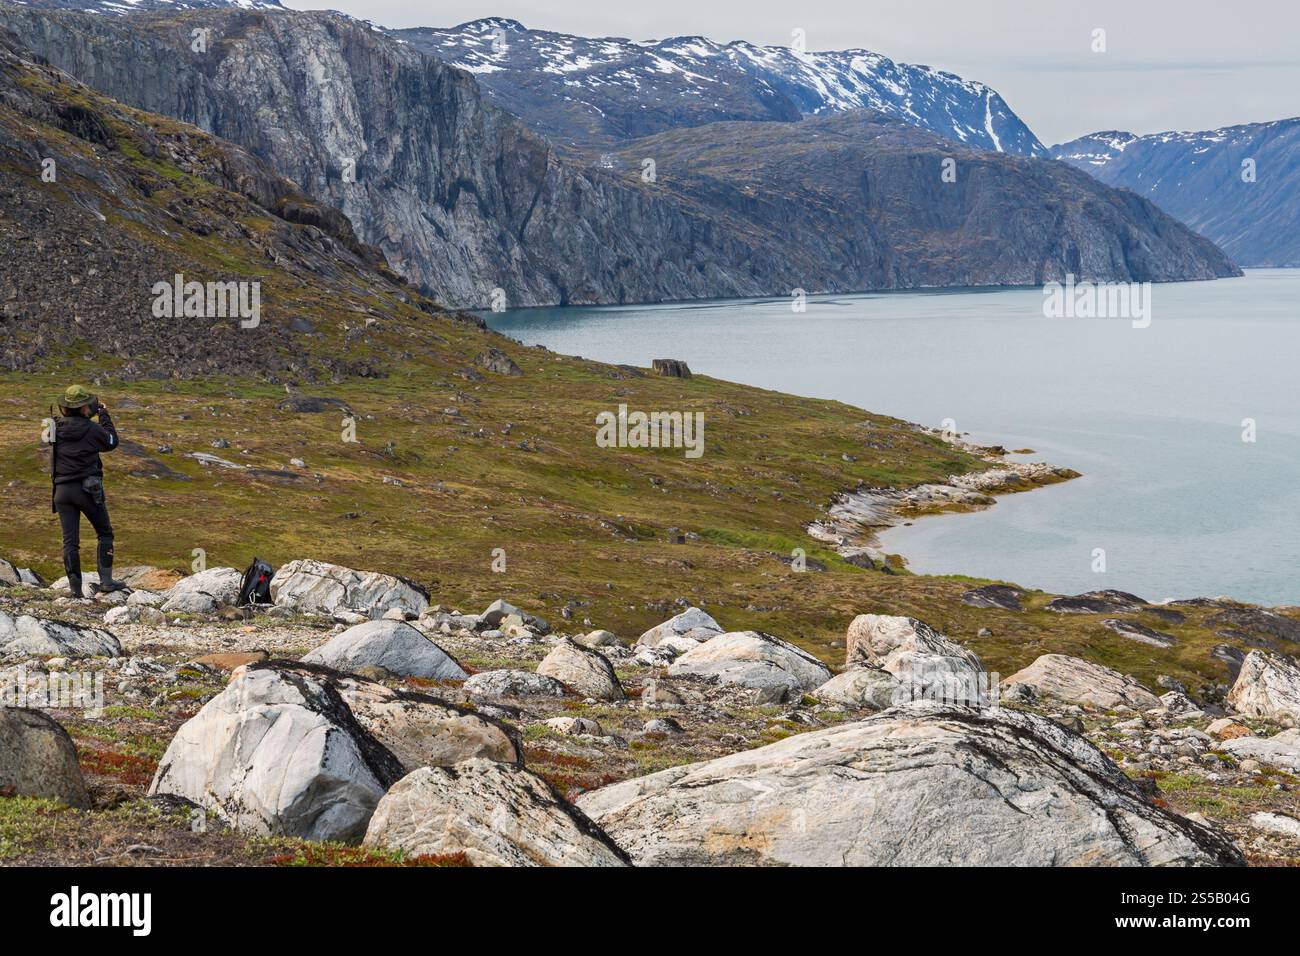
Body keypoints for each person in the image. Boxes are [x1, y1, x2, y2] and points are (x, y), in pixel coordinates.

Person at [50, 385, 125, 599]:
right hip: (87, 489)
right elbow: (111, 441)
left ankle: (75, 591)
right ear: (85, 407)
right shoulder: (91, 429)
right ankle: (107, 582)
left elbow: (47, 437)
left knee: (70, 542)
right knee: (104, 533)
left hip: (62, 491)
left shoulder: (54, 427)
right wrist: (103, 414)